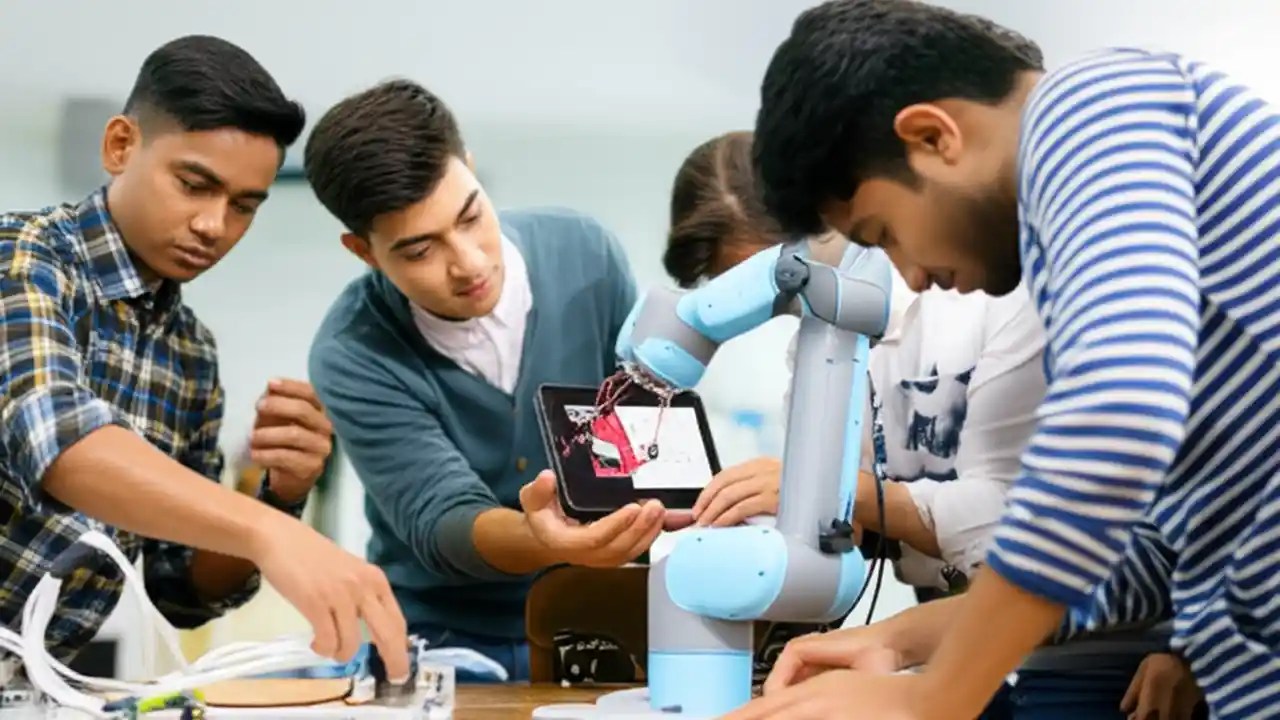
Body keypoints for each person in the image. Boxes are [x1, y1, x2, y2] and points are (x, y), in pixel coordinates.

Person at [732, 1, 1280, 718]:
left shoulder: (1090, 106)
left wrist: (934, 699)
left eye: (885, 232)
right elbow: (1146, 564)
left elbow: (1118, 414)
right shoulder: (1087, 268)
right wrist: (904, 641)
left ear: (933, 137)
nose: (913, 275)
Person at [667, 130, 1201, 719]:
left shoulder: (995, 290)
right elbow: (848, 535)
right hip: (956, 637)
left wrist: (842, 498)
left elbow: (1033, 537)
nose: (788, 310)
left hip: (1092, 654)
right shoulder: (820, 345)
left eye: (780, 283)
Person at [0, 35, 408, 678]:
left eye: (244, 206)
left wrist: (280, 492)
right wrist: (274, 533)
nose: (214, 225)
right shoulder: (22, 259)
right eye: (194, 185)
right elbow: (58, 441)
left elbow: (179, 588)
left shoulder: (191, 354)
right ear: (120, 146)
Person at [303, 79, 672, 682]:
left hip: (600, 619)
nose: (469, 262)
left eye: (471, 216)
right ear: (364, 252)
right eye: (420, 250)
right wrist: (545, 539)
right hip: (441, 640)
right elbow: (441, 521)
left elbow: (639, 429)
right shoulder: (353, 351)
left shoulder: (587, 256)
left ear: (470, 168)